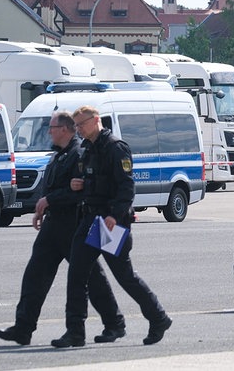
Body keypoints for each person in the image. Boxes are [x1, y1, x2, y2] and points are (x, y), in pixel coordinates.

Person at [0, 111, 126, 346]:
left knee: (91, 278)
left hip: (75, 223)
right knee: (35, 275)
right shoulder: (58, 155)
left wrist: (50, 201)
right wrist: (42, 208)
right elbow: (51, 188)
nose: (48, 132)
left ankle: (114, 324)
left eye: (52, 128)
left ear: (64, 129)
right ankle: (23, 328)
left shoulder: (79, 153)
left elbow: (82, 191)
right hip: (54, 225)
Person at [51, 106, 171, 348]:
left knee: (124, 276)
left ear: (96, 120)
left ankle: (158, 317)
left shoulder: (115, 147)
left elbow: (126, 188)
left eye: (82, 124)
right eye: (76, 126)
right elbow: (95, 183)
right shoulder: (88, 148)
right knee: (76, 274)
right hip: (90, 221)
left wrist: (115, 216)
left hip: (109, 223)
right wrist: (80, 185)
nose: (79, 130)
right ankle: (75, 331)